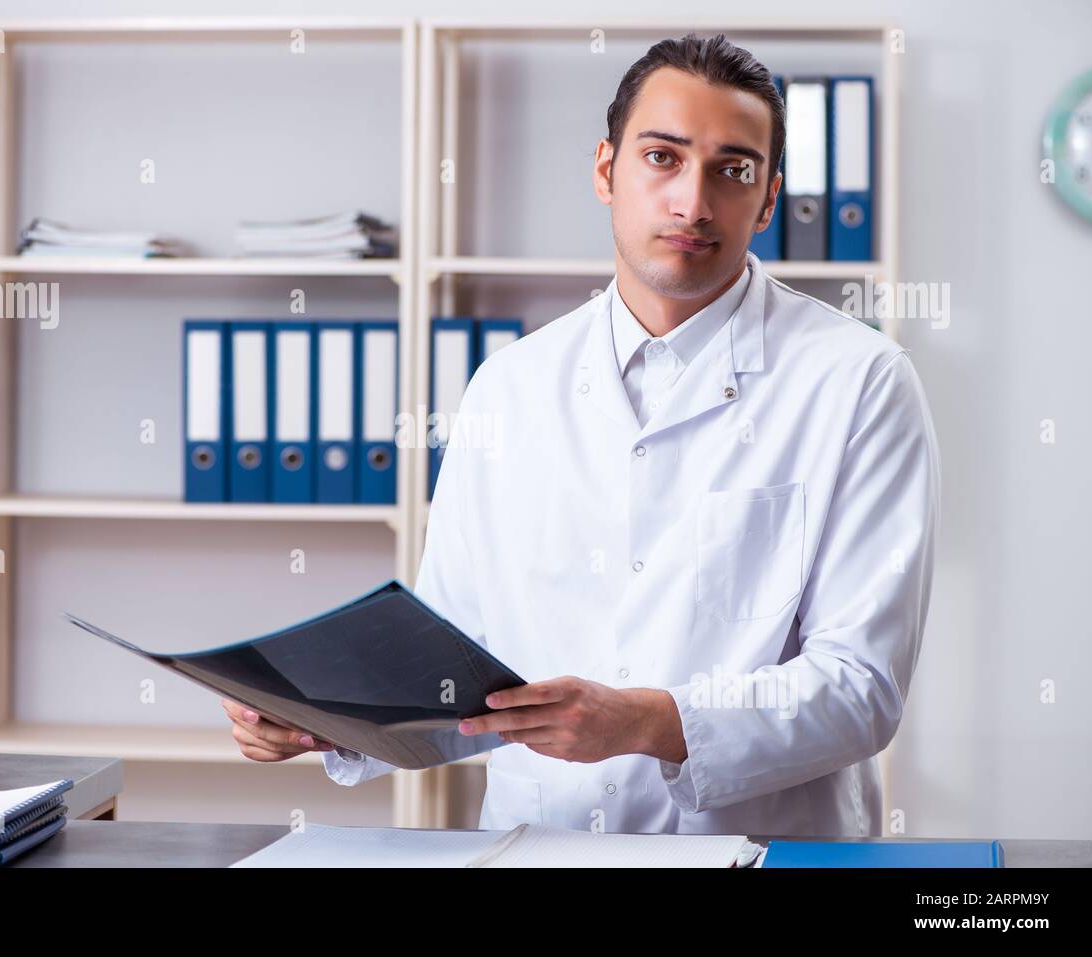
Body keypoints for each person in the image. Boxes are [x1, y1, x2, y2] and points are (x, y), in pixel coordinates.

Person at [222, 32, 940, 837]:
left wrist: (647, 720)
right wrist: (326, 718)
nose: (692, 202)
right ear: (606, 170)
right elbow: (453, 669)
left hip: (759, 852)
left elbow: (861, 688)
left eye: (732, 171)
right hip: (543, 848)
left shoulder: (861, 383)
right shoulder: (510, 386)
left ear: (769, 199)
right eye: (662, 157)